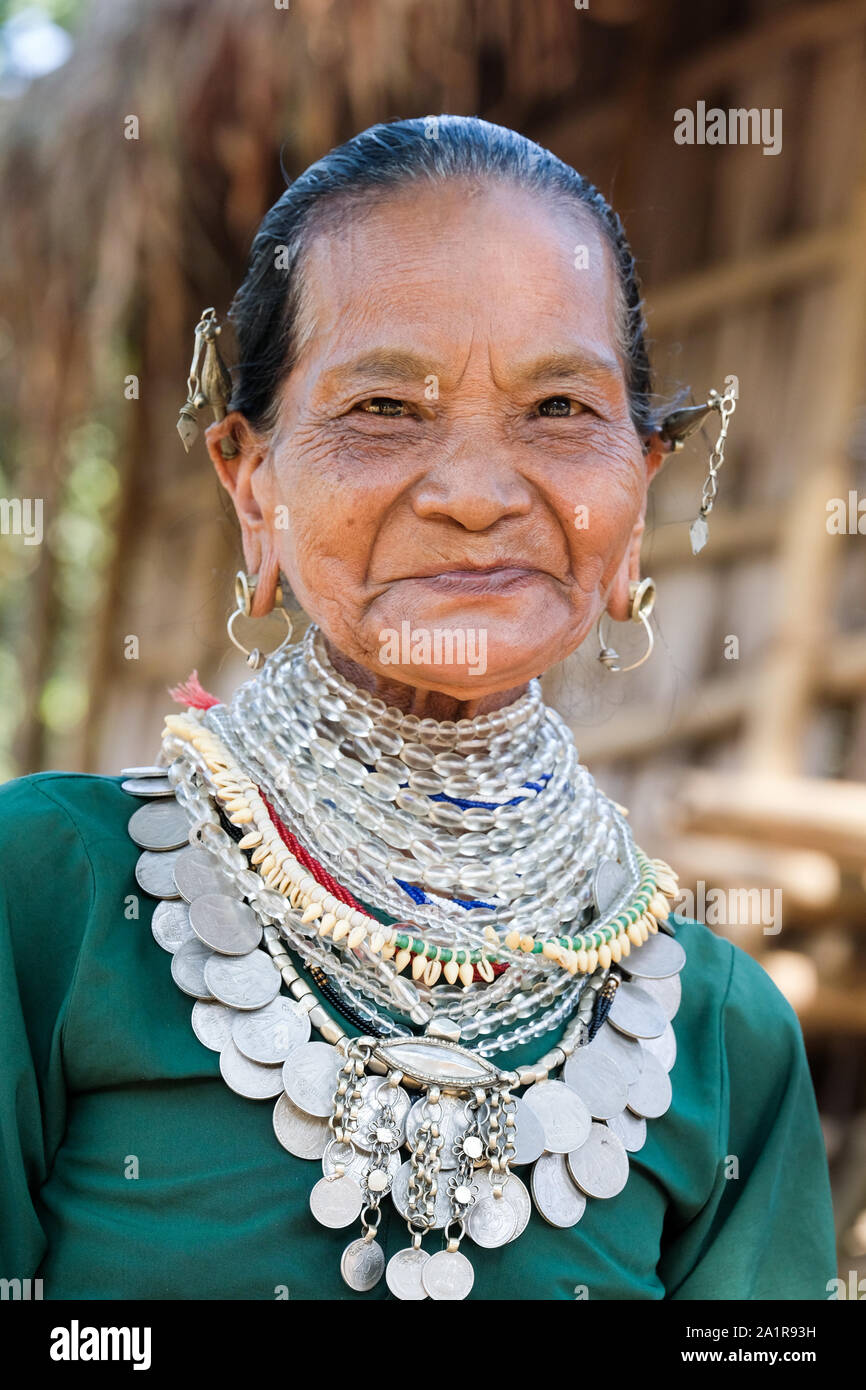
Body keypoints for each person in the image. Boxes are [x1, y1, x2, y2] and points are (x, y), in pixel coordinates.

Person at [0, 115, 835, 1301]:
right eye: (385, 408)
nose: (477, 494)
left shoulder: (719, 1035)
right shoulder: (48, 900)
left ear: (635, 494)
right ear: (253, 484)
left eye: (558, 410)